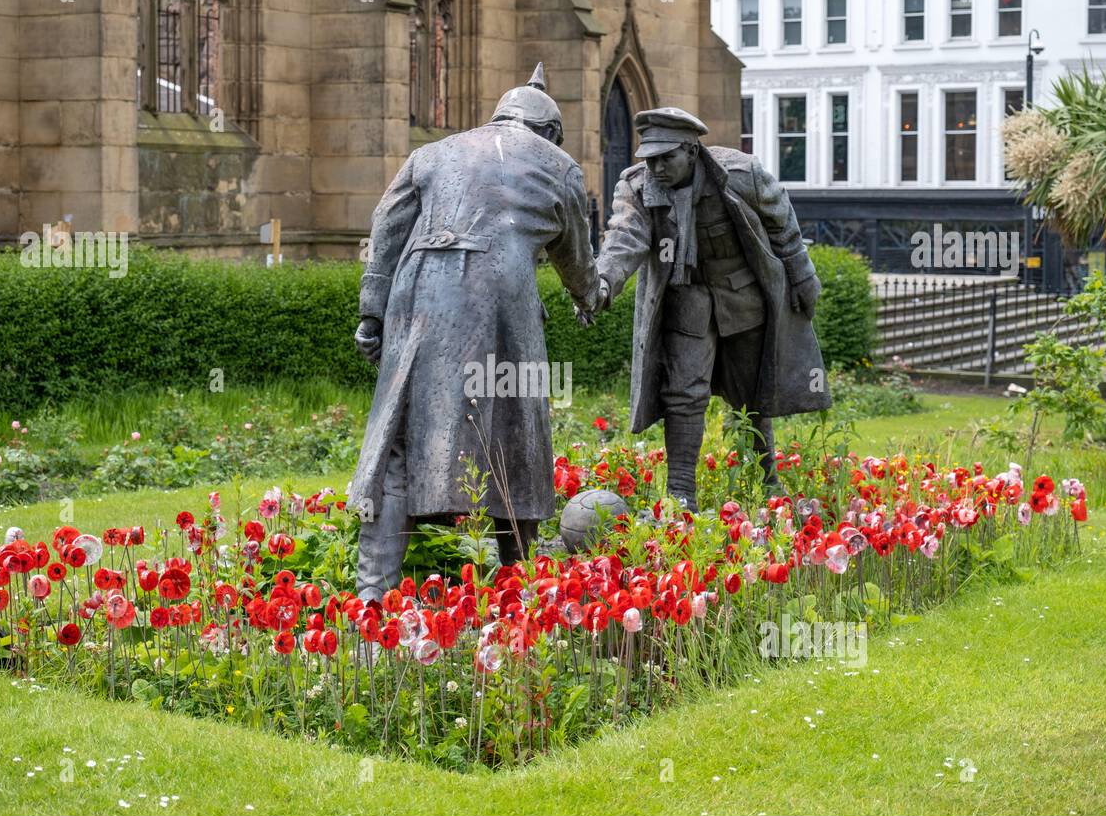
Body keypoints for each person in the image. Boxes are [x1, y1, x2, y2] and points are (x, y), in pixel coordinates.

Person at [349, 65, 602, 604]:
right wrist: (588, 297)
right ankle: (518, 579)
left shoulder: (435, 152)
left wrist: (373, 312)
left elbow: (388, 224)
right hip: (501, 297)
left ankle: (374, 597)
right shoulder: (559, 166)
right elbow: (577, 258)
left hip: (418, 293)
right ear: (550, 131)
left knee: (399, 435)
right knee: (517, 431)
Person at [595, 107, 831, 506]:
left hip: (743, 299)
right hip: (686, 300)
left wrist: (802, 275)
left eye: (666, 157)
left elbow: (782, 222)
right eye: (649, 159)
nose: (656, 167)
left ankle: (766, 480)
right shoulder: (636, 187)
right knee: (682, 393)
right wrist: (602, 280)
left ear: (691, 150)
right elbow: (624, 238)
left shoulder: (741, 174)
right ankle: (681, 491)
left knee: (752, 394)